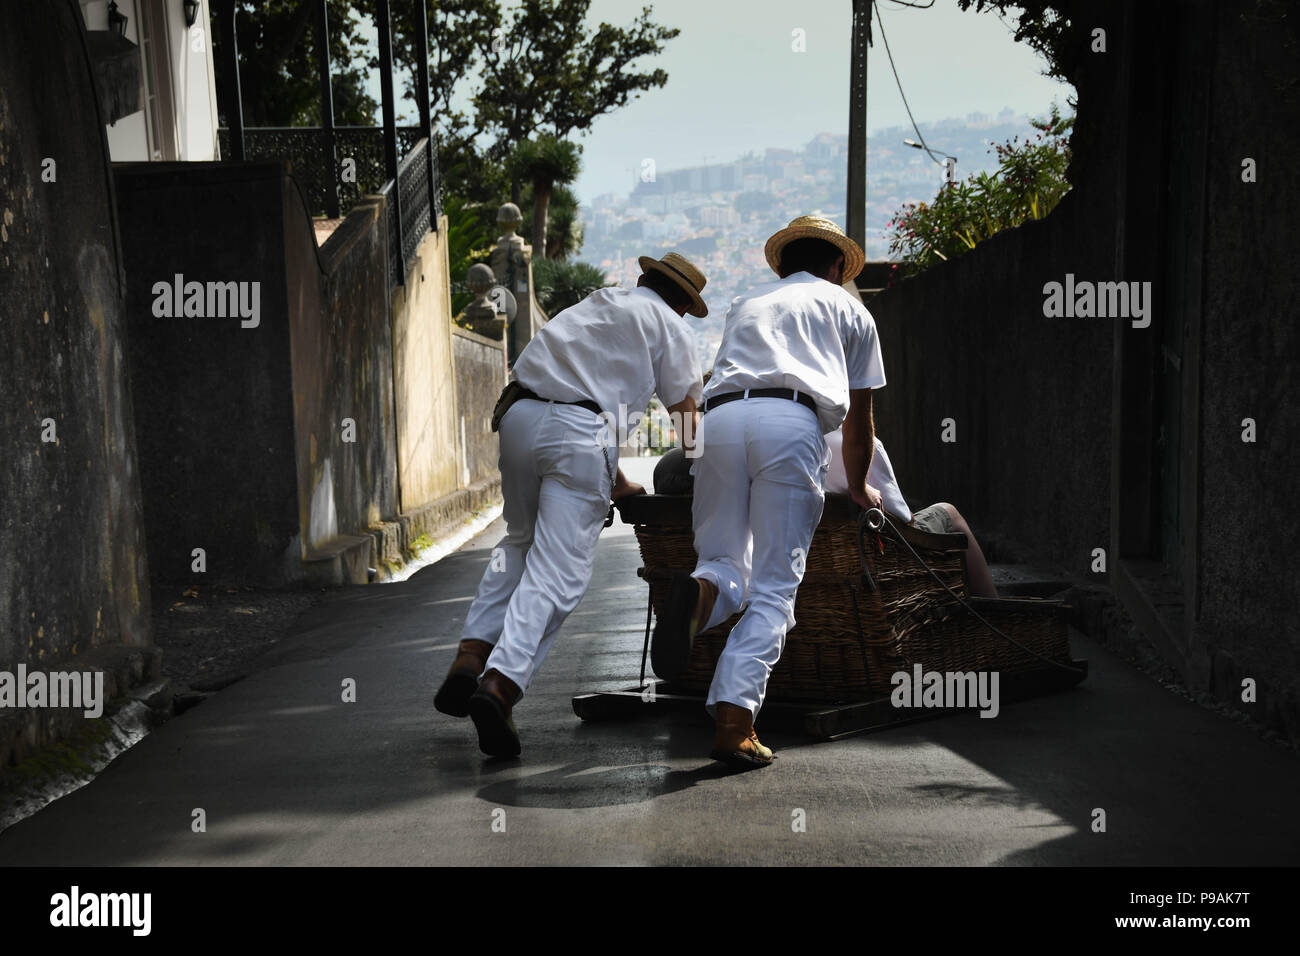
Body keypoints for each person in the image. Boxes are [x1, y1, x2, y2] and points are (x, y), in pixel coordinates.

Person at [435, 252, 707, 758]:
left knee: (517, 542)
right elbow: (684, 413)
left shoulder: (598, 303)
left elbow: (577, 401)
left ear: (643, 280)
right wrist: (706, 474)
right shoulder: (670, 327)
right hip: (580, 436)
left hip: (520, 417)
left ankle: (471, 655)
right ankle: (500, 684)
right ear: (685, 306)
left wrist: (618, 481)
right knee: (556, 570)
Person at [653, 215, 886, 771]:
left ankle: (702, 597)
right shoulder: (850, 308)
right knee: (777, 587)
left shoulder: (746, 302)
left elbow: (707, 383)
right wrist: (858, 488)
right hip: (791, 423)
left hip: (720, 422)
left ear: (781, 264)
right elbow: (859, 422)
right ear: (836, 267)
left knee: (724, 562)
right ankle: (734, 723)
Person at [824, 431, 998, 598]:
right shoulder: (863, 445)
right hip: (880, 560)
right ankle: (991, 610)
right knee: (949, 512)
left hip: (823, 568)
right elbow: (905, 522)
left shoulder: (802, 444)